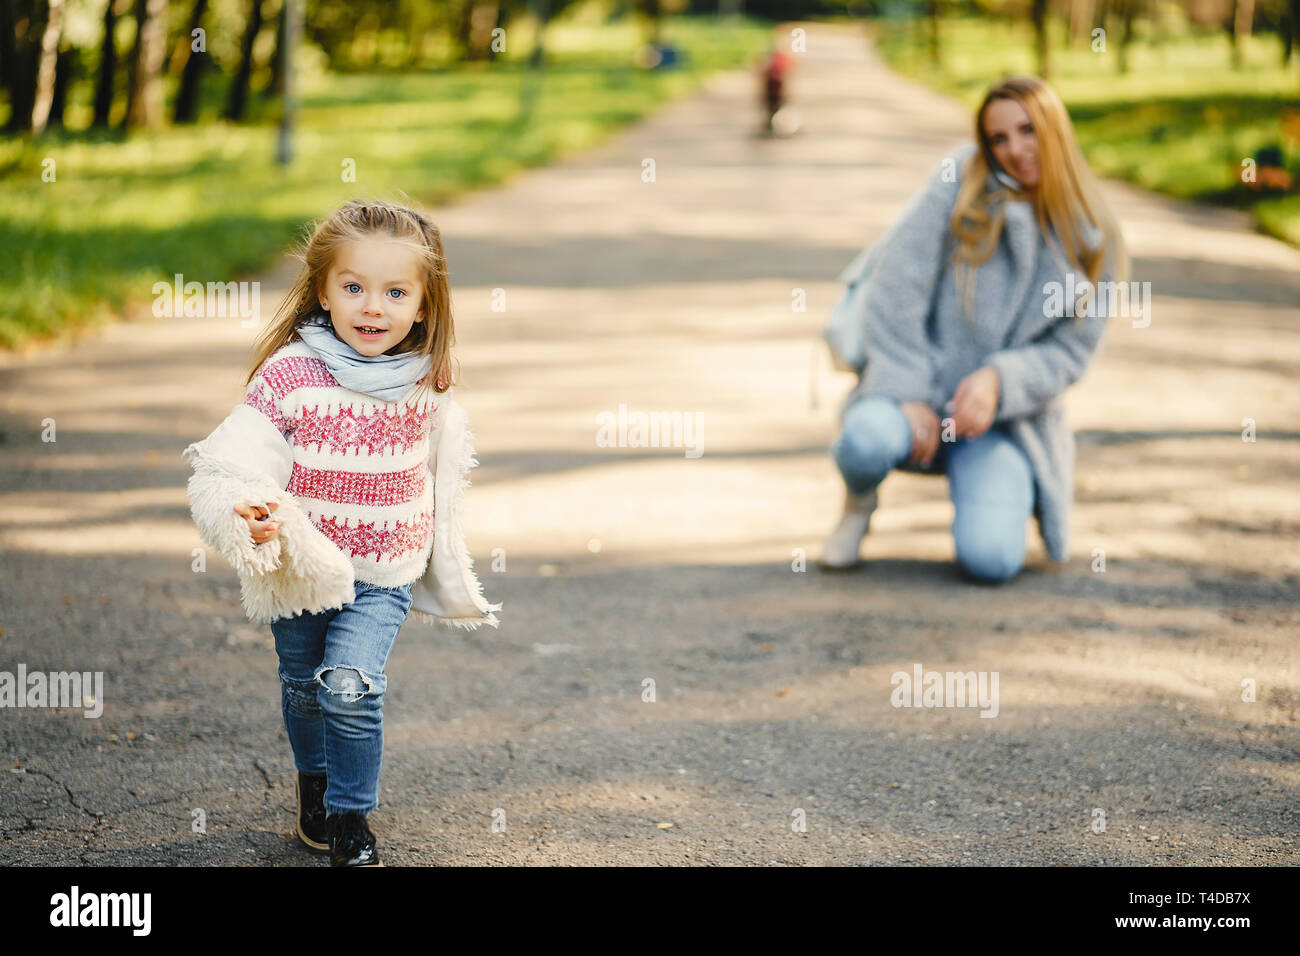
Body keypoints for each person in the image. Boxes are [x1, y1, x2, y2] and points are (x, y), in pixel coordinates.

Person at [182, 199, 501, 866]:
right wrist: (246, 506)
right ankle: (315, 783)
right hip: (300, 568)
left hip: (384, 574)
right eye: (353, 287)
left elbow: (441, 472)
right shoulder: (291, 375)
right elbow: (234, 458)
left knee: (348, 684)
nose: (372, 307)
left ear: (423, 304)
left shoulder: (425, 383)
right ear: (323, 290)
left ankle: (352, 818)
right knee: (303, 686)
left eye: (394, 292)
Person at [819, 75, 1127, 581]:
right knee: (864, 441)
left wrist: (1000, 380)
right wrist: (906, 390)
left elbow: (1071, 354)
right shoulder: (959, 178)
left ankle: (998, 493)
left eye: (1028, 130)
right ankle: (857, 504)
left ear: (1055, 129)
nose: (1015, 150)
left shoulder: (1096, 236)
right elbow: (897, 284)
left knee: (992, 560)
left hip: (1000, 423)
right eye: (998, 138)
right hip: (912, 398)